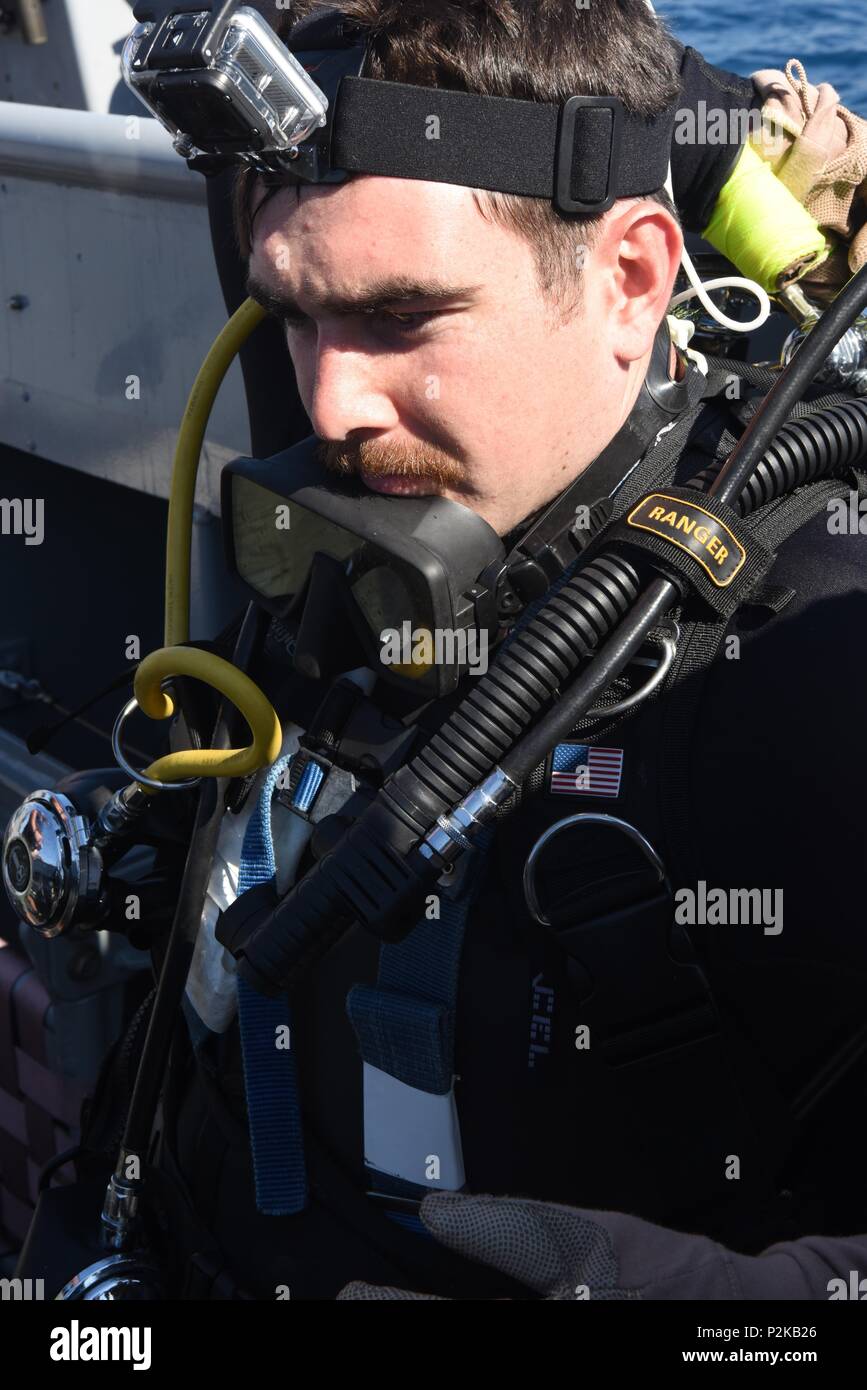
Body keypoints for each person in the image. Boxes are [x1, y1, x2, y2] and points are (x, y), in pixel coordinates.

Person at [85, 0, 867, 1300]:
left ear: (630, 279)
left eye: (401, 316)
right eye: (294, 312)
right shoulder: (345, 558)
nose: (330, 400)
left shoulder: (804, 679)